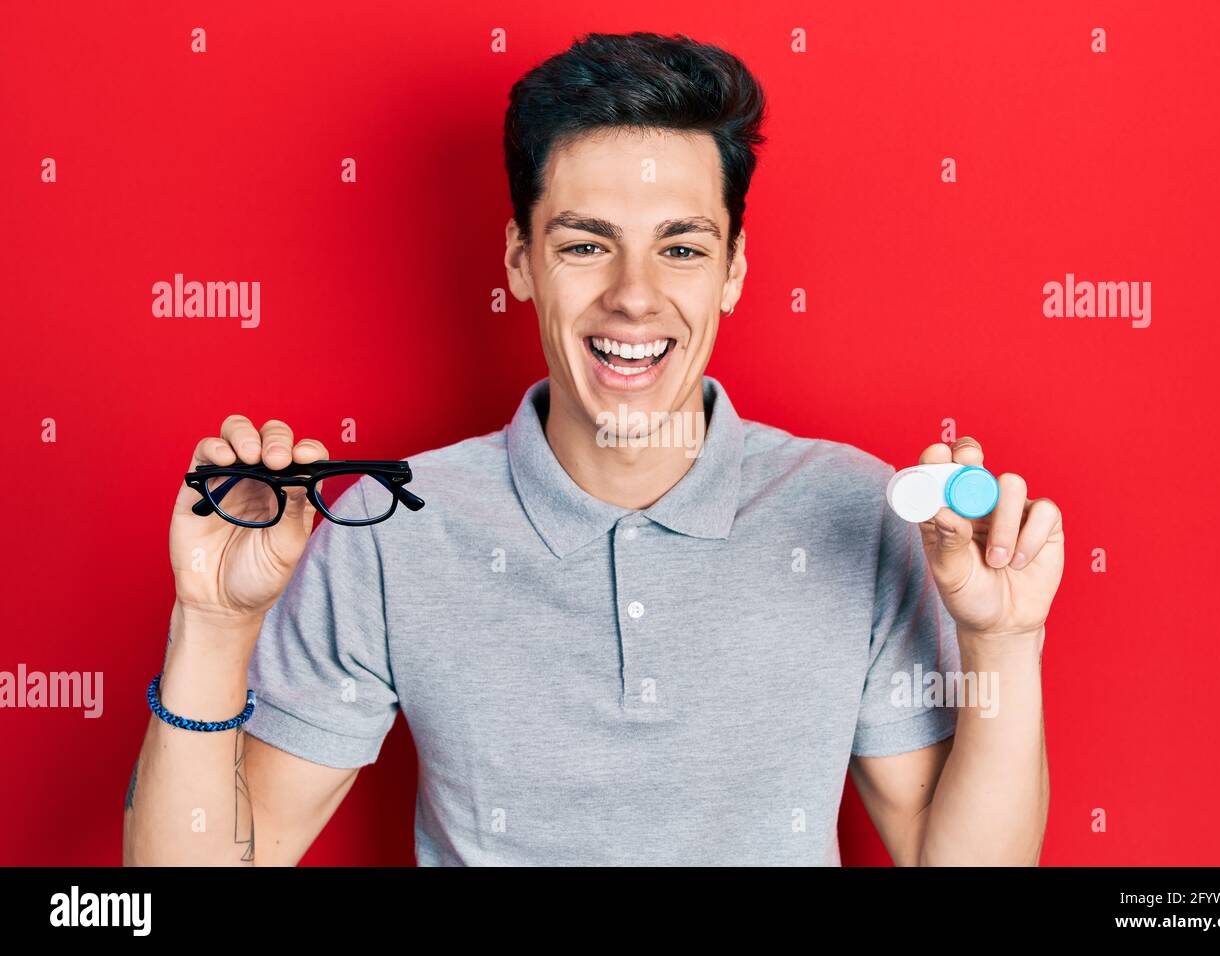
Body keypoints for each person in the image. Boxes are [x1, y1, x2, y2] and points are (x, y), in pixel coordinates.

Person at [123, 31, 1063, 867]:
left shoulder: (854, 511)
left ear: (734, 269)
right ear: (518, 260)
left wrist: (1004, 642)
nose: (635, 297)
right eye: (585, 245)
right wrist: (213, 624)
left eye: (682, 249)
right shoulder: (389, 529)